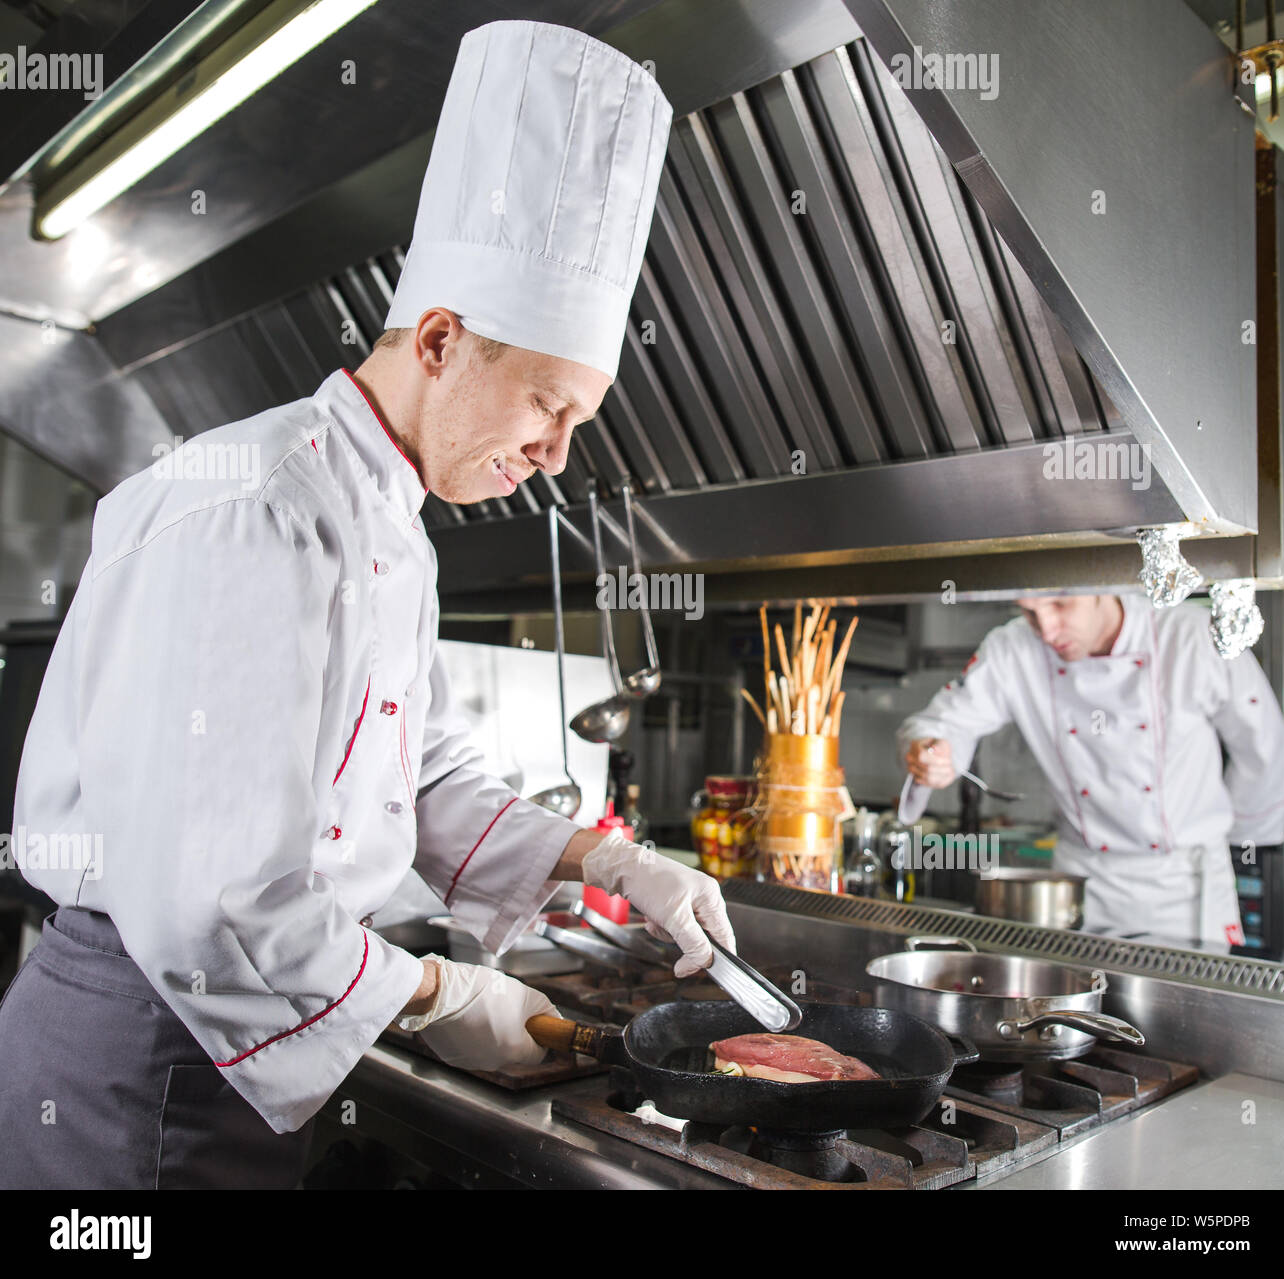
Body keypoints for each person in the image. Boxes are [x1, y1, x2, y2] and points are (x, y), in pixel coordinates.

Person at [0, 20, 734, 1190]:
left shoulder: (389, 519)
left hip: (237, 1034)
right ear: (439, 338)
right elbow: (212, 899)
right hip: (147, 1052)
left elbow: (424, 780)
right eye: (547, 405)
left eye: (577, 426)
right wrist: (439, 993)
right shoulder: (259, 509)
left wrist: (613, 860)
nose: (553, 455)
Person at [899, 593, 1284, 949]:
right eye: (1030, 612)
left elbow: (1262, 744)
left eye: (1061, 605)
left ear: (1105, 586)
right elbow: (943, 723)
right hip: (1077, 885)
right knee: (1074, 1014)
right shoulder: (1012, 646)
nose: (1047, 630)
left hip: (1184, 886)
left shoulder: (1190, 634)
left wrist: (1244, 838)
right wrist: (933, 751)